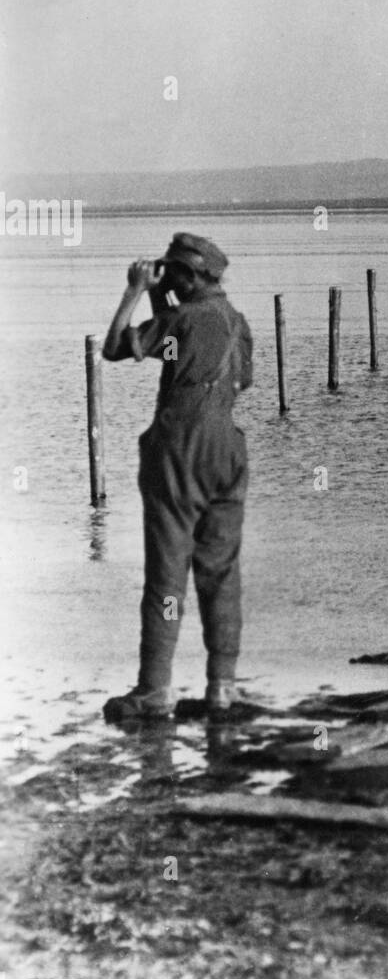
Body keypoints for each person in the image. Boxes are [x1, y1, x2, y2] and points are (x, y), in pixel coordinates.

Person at [101, 233, 253, 720]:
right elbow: (239, 379)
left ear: (188, 276)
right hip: (227, 452)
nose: (163, 278)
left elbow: (113, 348)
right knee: (220, 573)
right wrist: (159, 296)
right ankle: (222, 686)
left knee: (168, 576)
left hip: (179, 454)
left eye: (170, 272)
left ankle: (154, 688)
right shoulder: (236, 322)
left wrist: (133, 291)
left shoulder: (177, 319)